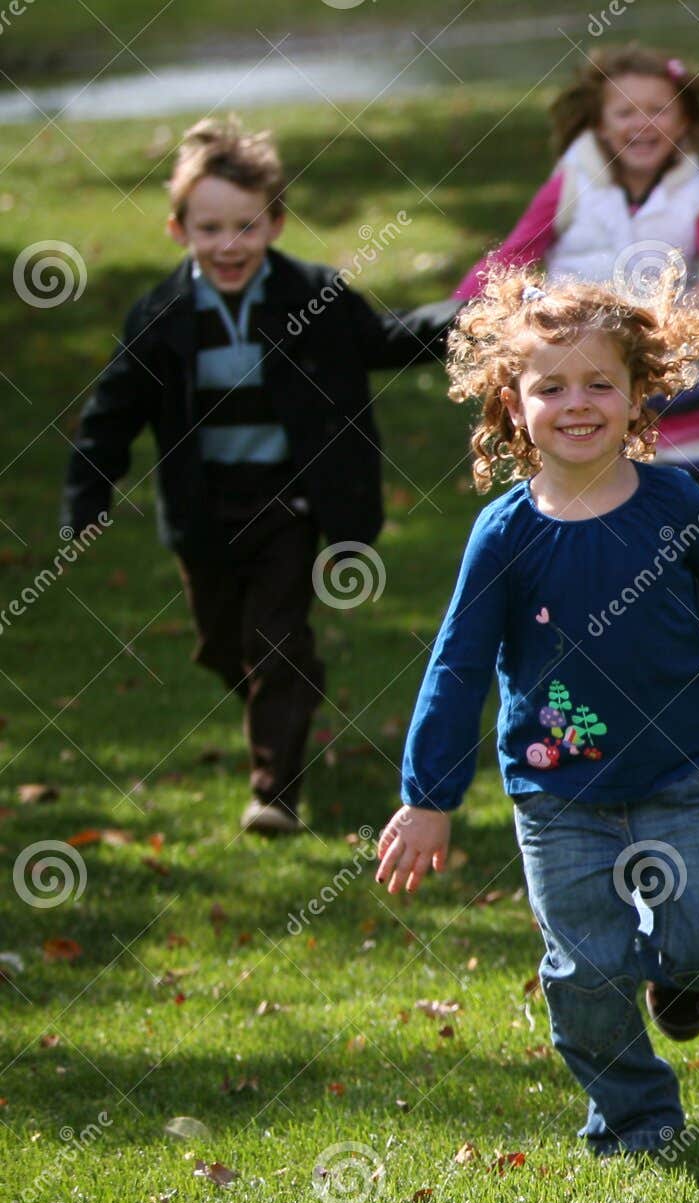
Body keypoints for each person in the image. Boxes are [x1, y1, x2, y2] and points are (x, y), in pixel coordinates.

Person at [375, 267, 699, 1155]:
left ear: (638, 392)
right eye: (551, 386)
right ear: (513, 401)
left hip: (680, 771)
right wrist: (430, 796)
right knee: (584, 971)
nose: (576, 404)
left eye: (599, 384)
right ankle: (636, 1116)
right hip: (557, 794)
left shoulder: (676, 505)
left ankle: (682, 978)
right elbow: (457, 665)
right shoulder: (504, 534)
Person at [60, 115, 457, 835]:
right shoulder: (160, 315)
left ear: (274, 222)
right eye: (210, 229)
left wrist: (467, 316)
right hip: (204, 509)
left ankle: (275, 791)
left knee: (274, 636)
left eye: (245, 226)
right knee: (223, 644)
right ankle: (290, 696)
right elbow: (113, 411)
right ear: (179, 230)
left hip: (292, 502)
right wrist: (86, 497)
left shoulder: (313, 295)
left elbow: (386, 339)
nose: (229, 245)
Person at [454, 45, 699, 493]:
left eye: (657, 110)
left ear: (682, 122)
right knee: (592, 479)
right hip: (580, 363)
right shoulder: (572, 183)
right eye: (625, 112)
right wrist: (457, 307)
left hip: (662, 359)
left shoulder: (695, 193)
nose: (641, 123)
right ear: (601, 127)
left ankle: (686, 553)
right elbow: (518, 249)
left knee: (687, 483)